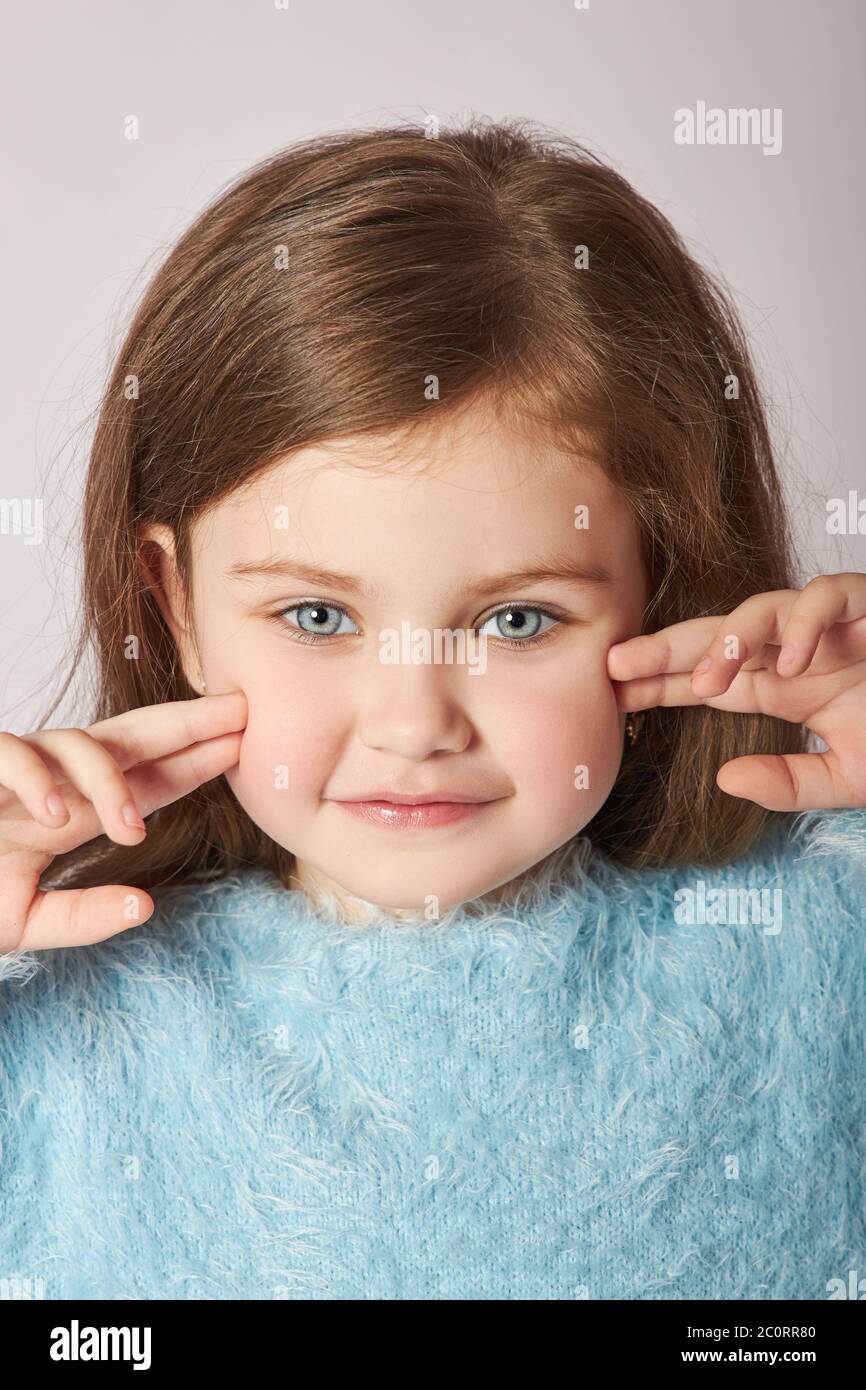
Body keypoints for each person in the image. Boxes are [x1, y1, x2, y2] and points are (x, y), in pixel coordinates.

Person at [1, 119, 864, 1300]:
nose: (414, 724)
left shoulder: (815, 962)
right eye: (315, 617)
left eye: (514, 621)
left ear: (661, 597)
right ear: (179, 606)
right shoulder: (53, 1014)